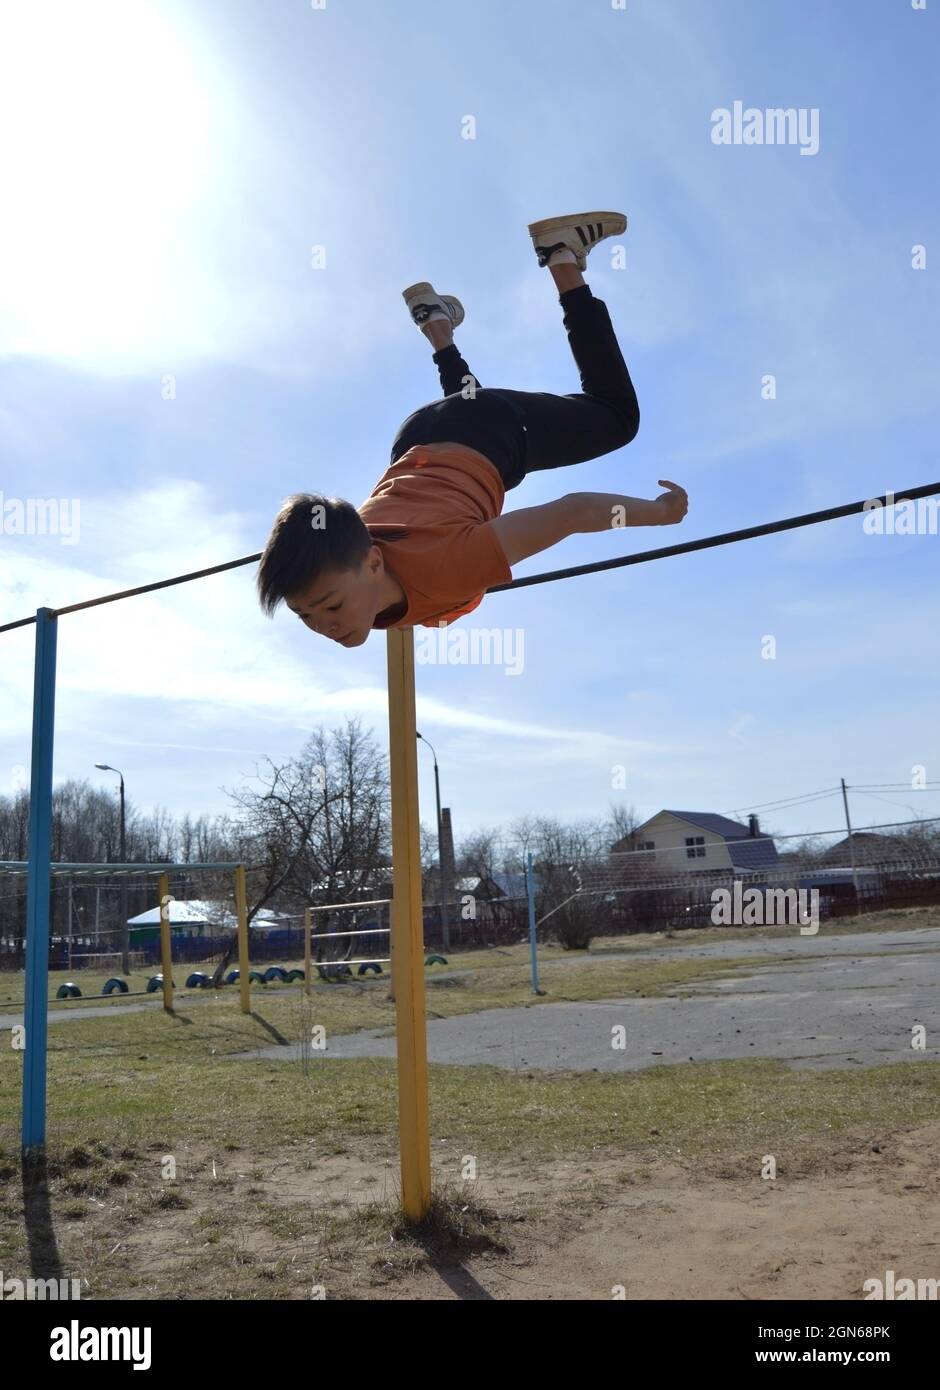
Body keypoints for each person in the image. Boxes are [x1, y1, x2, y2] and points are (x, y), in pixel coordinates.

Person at [256, 211, 688, 645]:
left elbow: (573, 512)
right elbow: (323, 531)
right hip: (418, 438)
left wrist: (662, 514)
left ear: (372, 564)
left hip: (482, 435)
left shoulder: (452, 566)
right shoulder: (347, 553)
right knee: (469, 419)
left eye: (331, 605)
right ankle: (436, 325)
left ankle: (562, 255)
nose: (325, 626)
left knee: (616, 417)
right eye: (304, 617)